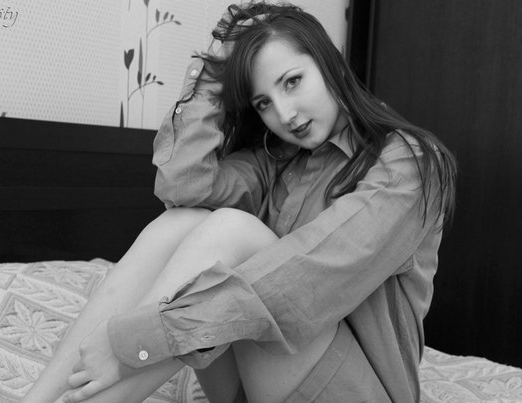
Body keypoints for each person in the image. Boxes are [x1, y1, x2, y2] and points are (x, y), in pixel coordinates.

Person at [23, 2, 457, 402]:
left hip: (358, 391)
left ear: (331, 65)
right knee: (183, 222)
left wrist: (137, 341)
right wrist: (215, 71)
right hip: (254, 387)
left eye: (293, 82)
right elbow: (184, 185)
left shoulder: (410, 162)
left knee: (233, 230)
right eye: (264, 102)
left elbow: (308, 279)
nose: (285, 115)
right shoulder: (278, 161)